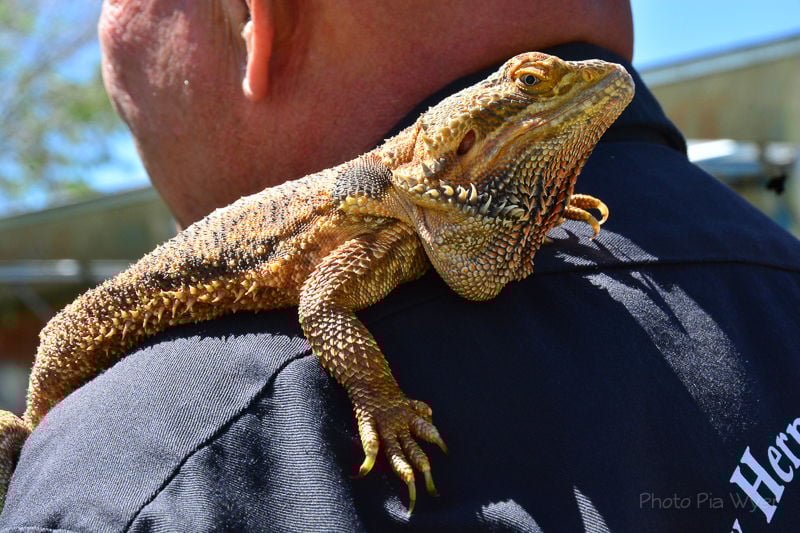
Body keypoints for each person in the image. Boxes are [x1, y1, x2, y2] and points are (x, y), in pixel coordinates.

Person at [2, 1, 799, 531]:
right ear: (453, 140)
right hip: (81, 351)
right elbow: (322, 301)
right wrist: (380, 402)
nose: (570, 89)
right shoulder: (377, 214)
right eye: (531, 83)